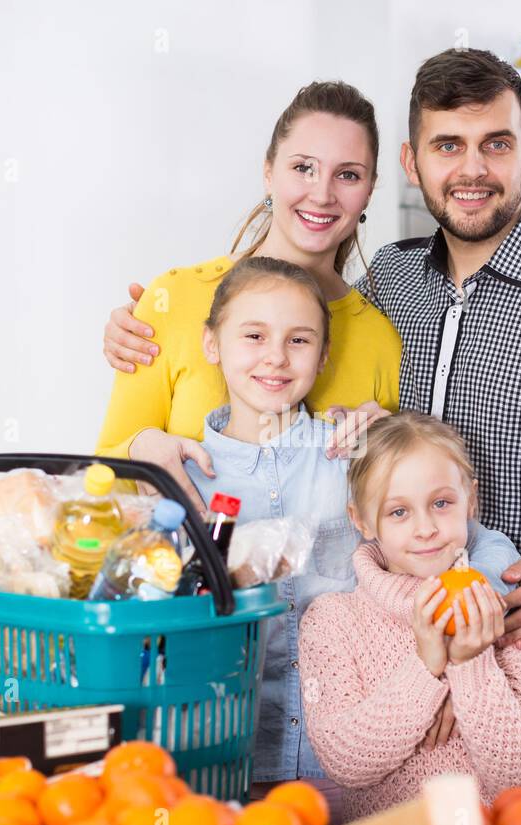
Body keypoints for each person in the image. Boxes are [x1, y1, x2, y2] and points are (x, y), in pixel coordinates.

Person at [100, 49, 521, 782]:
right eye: (448, 145)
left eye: (497, 144)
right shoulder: (391, 281)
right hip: (386, 650)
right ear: (416, 164)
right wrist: (139, 365)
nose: (472, 169)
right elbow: (269, 330)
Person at [181, 256, 521, 820]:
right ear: (212, 344)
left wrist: (460, 625)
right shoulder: (185, 478)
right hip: (230, 755)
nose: (275, 357)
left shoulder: (355, 455)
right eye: (254, 336)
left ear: (323, 355)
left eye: (299, 339)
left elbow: (476, 543)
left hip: (363, 750)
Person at [95, 81, 401, 513]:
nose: (322, 193)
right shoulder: (174, 298)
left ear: (369, 190)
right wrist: (138, 449)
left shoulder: (379, 339)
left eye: (347, 174)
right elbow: (98, 478)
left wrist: (394, 451)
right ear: (268, 171)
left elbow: (391, 515)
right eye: (303, 167)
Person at [299, 412, 521, 821]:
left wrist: (471, 661)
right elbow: (345, 761)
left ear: (471, 500)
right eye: (398, 512)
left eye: (441, 503)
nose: (425, 529)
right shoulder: (332, 621)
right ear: (361, 520)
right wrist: (427, 666)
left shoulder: (501, 611)